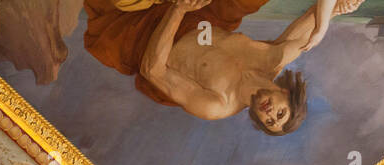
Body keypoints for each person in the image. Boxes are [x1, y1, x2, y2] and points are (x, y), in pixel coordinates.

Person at [82, 0, 365, 131]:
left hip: (148, 32)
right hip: (202, 14)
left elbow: (152, 70)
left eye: (270, 122)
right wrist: (336, 7)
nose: (271, 115)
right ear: (285, 95)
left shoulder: (217, 104)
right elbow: (309, 31)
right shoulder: (273, 59)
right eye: (280, 113)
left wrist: (179, 8)